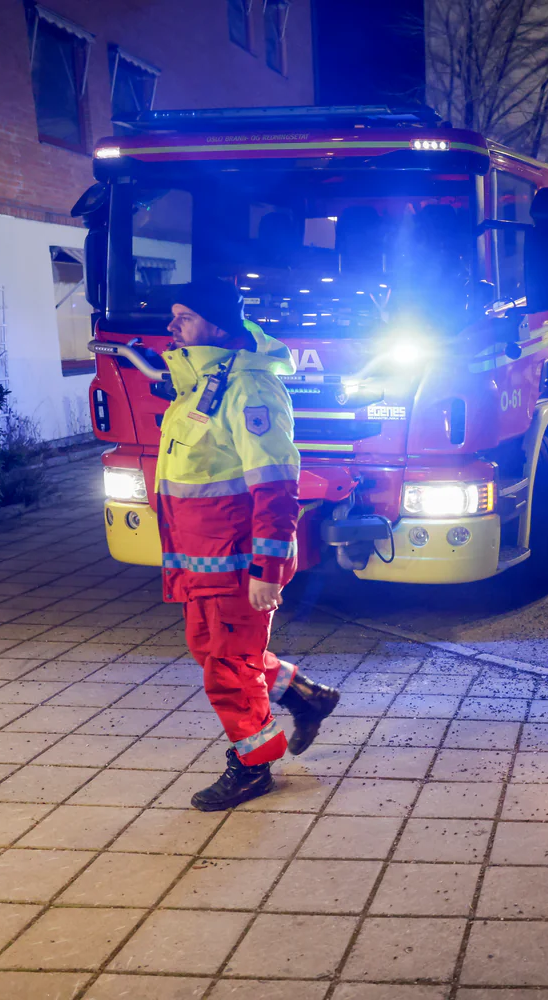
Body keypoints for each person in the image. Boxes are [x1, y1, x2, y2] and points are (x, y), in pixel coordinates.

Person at [156, 278, 339, 811]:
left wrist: (267, 569)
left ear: (214, 325)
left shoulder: (249, 390)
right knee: (213, 652)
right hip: (201, 559)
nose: (172, 328)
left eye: (183, 318)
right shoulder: (203, 382)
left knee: (228, 669)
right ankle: (305, 697)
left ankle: (254, 769)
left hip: (236, 563)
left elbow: (277, 486)